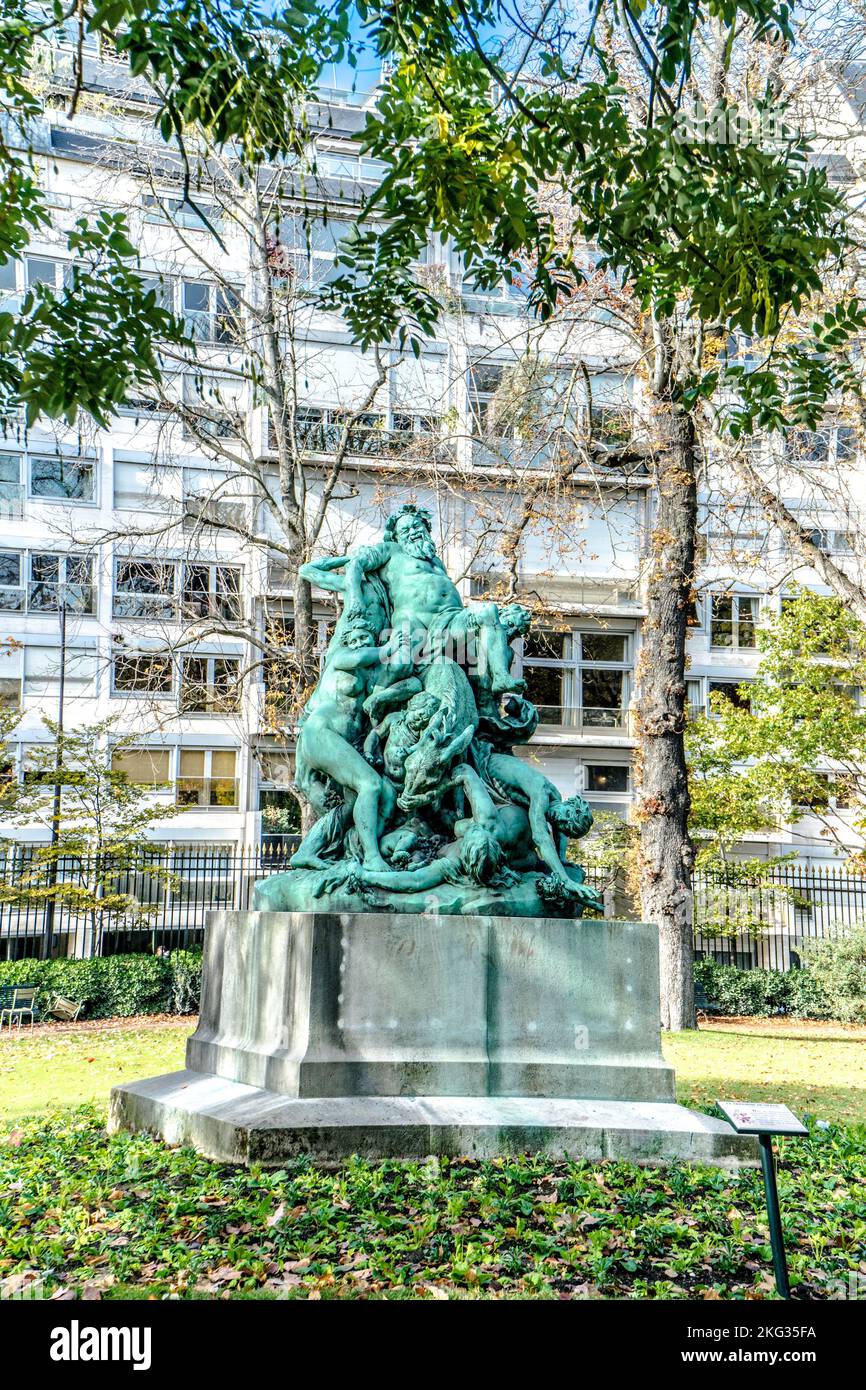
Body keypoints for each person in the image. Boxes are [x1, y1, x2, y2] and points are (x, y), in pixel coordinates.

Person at [294, 615, 397, 872]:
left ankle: (305, 852)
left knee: (367, 799)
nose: (360, 642)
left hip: (341, 742)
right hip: (322, 733)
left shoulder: (371, 675)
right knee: (370, 785)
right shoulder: (341, 656)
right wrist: (387, 649)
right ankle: (372, 858)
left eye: (365, 638)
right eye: (355, 639)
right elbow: (356, 658)